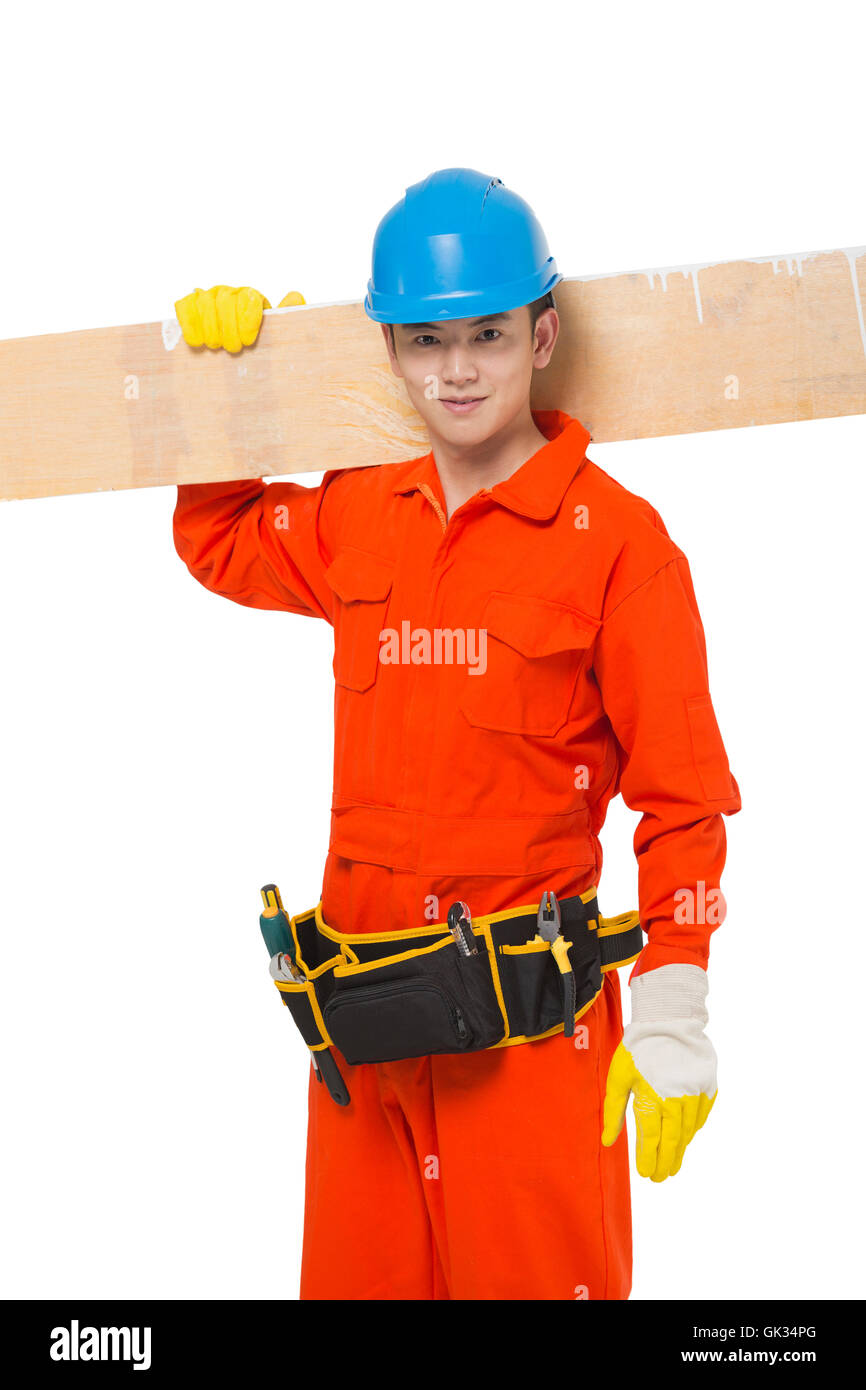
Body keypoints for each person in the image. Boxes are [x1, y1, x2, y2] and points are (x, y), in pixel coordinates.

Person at [172, 167, 741, 1301]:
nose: (458, 370)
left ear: (542, 334)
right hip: (363, 1046)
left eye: (486, 333)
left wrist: (675, 1006)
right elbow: (220, 537)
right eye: (426, 342)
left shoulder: (620, 546)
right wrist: (233, 382)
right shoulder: (356, 512)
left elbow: (682, 800)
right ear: (388, 351)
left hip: (531, 1053)